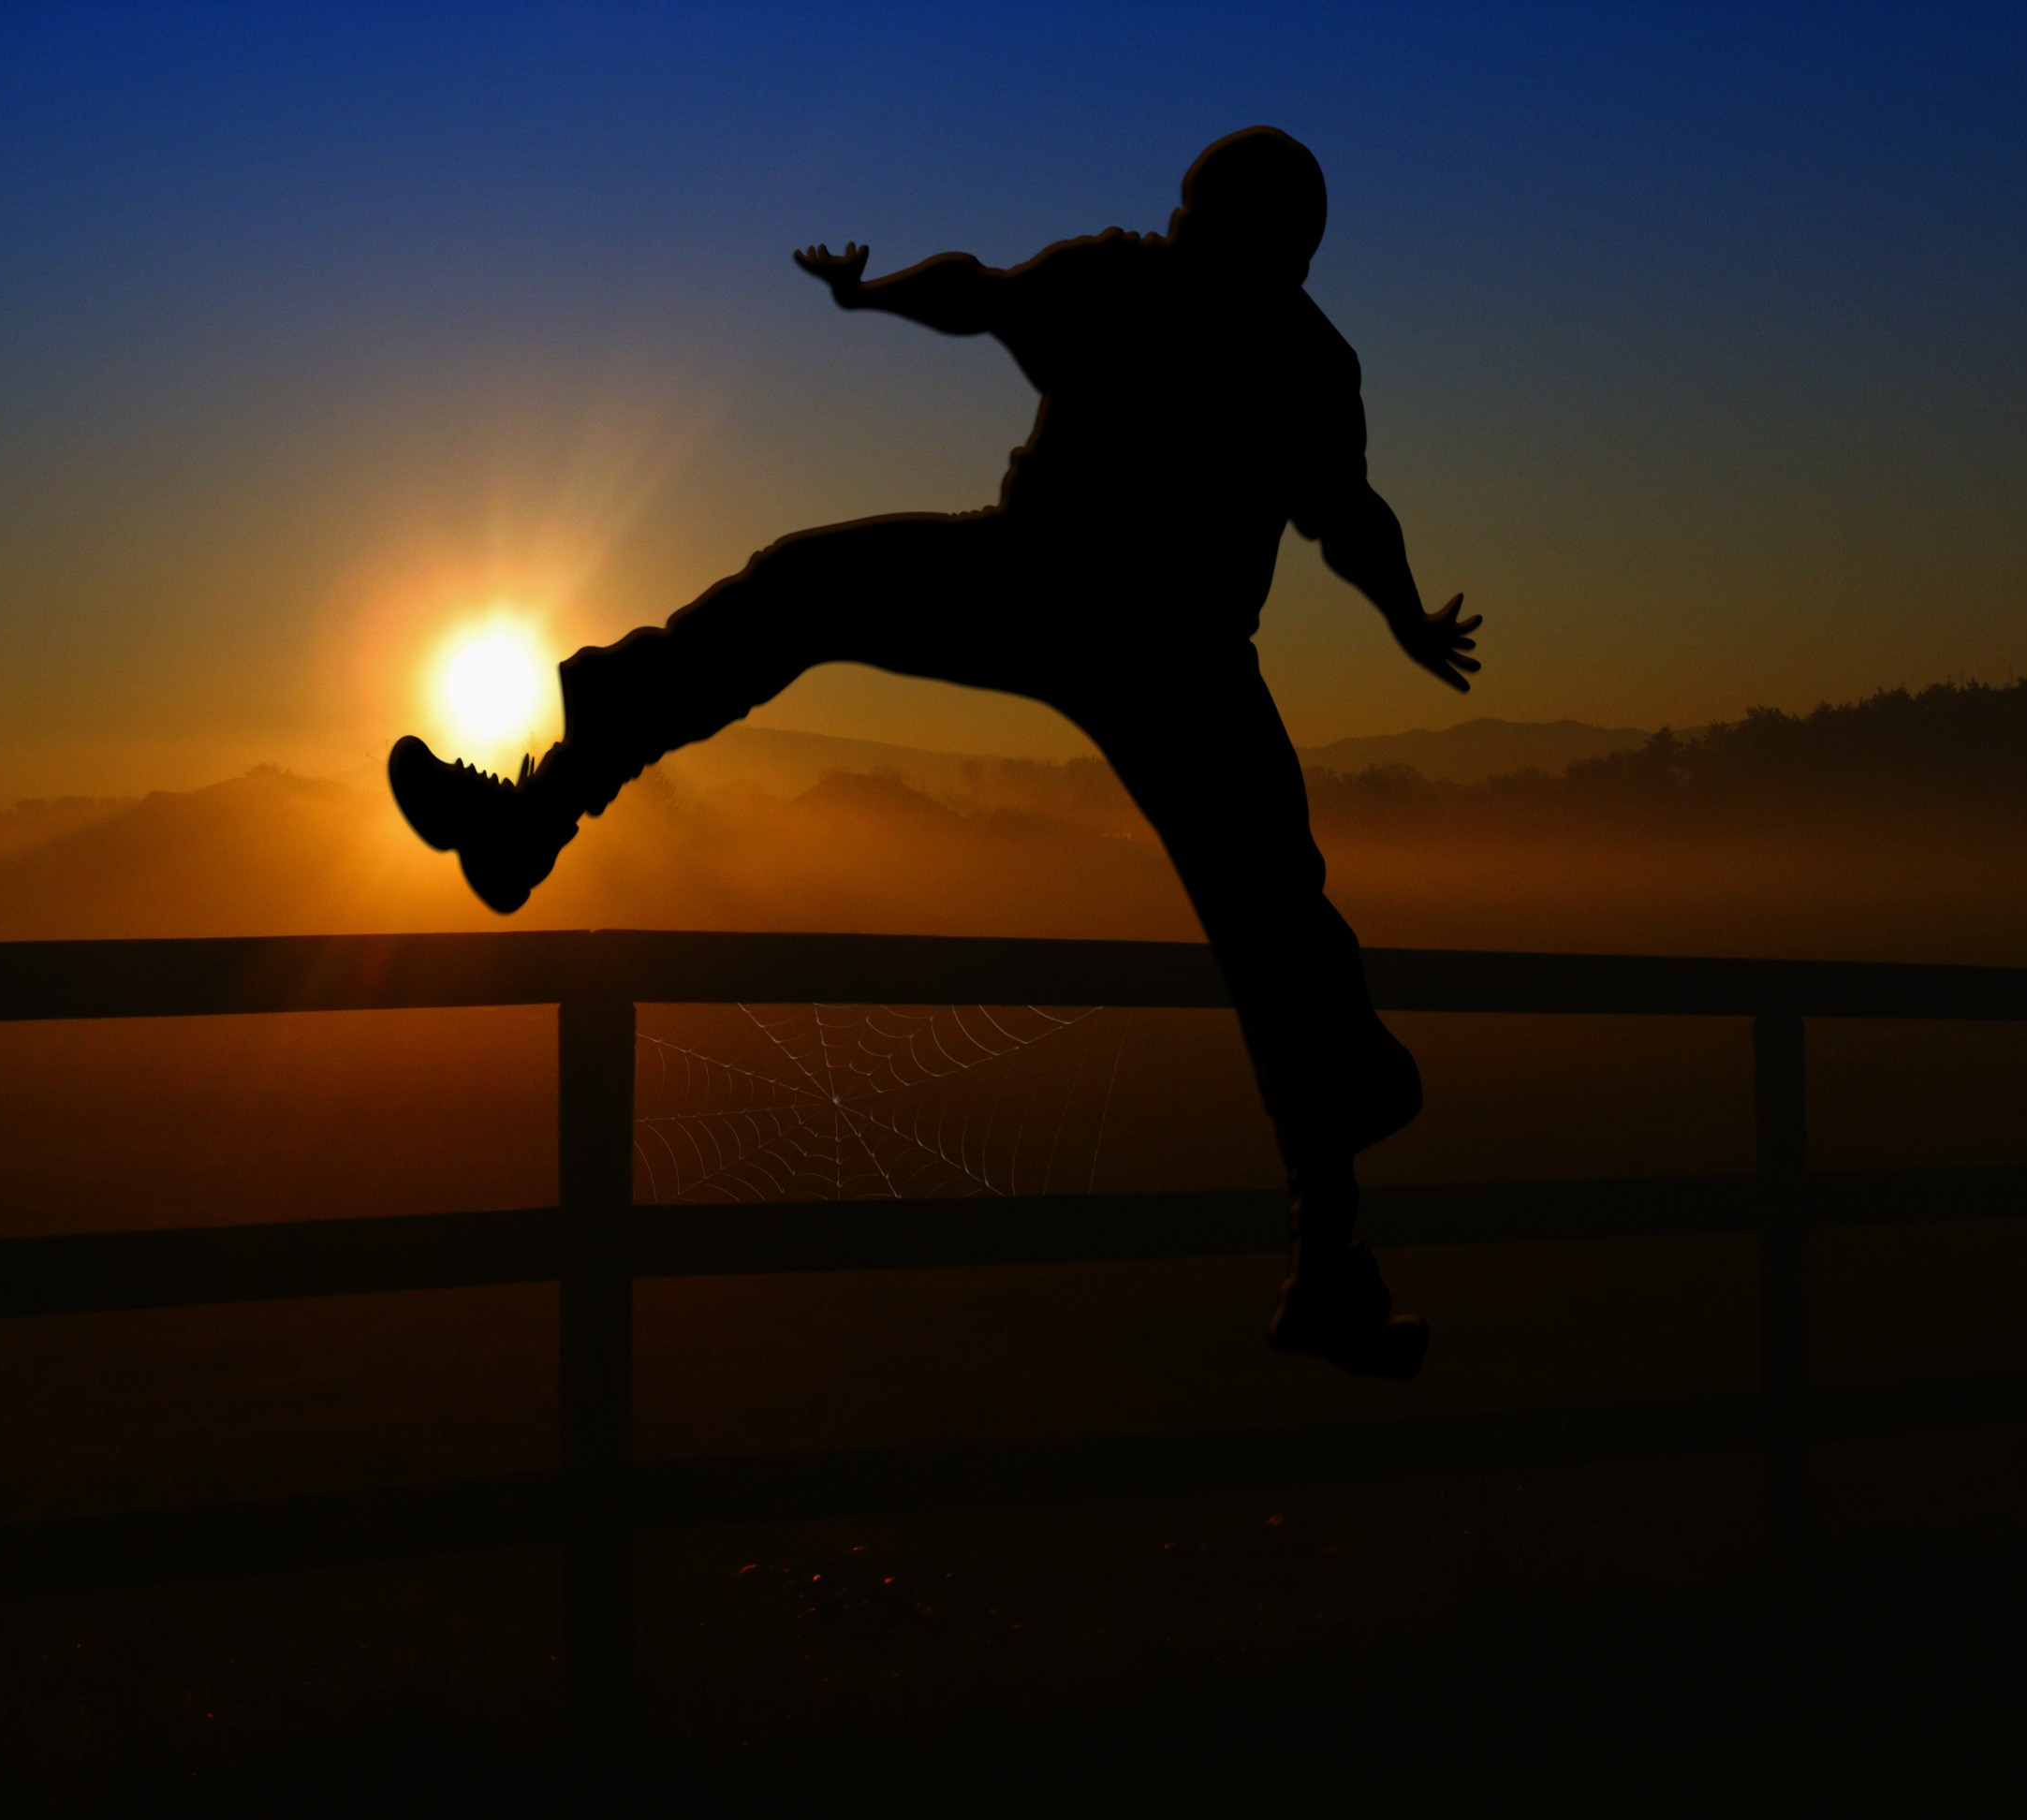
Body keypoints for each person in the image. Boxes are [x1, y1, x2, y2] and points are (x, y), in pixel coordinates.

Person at [389, 126, 1476, 1377]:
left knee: (803, 594)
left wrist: (872, 292)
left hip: (1058, 587)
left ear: (1246, 236)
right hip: (1163, 641)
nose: (1172, 229)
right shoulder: (1296, 348)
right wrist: (1403, 618)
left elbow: (982, 295)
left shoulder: (1166, 296)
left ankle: (535, 819)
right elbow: (1347, 513)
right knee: (1275, 922)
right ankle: (1330, 1263)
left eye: (1194, 215)